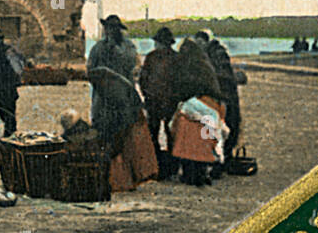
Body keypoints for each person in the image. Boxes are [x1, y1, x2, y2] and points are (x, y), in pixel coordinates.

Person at [87, 15, 158, 192]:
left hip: (124, 99)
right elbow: (90, 70)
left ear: (118, 30)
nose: (110, 31)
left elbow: (132, 65)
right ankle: (109, 178)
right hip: (103, 100)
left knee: (125, 135)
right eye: (108, 28)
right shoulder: (98, 48)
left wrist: (115, 52)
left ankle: (128, 178)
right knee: (104, 134)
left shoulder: (127, 47)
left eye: (113, 28)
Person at [169, 37, 224, 186]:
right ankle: (201, 172)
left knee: (185, 132)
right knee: (202, 139)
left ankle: (189, 173)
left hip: (199, 106)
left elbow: (183, 90)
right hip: (212, 106)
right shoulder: (204, 64)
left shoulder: (185, 66)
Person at [196, 29, 241, 178]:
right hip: (220, 98)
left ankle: (220, 163)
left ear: (206, 41)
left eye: (201, 42)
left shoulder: (217, 54)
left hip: (225, 98)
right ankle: (218, 162)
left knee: (223, 129)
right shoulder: (209, 54)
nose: (199, 45)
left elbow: (221, 76)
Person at [138, 27, 180, 180]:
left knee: (155, 134)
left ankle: (156, 166)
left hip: (157, 101)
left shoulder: (152, 57)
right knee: (170, 134)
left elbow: (143, 79)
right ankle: (170, 167)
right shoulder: (176, 58)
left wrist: (146, 94)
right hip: (167, 101)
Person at [0, 28, 25, 138]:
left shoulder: (8, 51)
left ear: (0, 40)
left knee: (9, 112)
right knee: (2, 112)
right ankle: (10, 132)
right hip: (0, 88)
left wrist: (12, 80)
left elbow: (18, 68)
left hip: (8, 88)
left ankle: (10, 133)